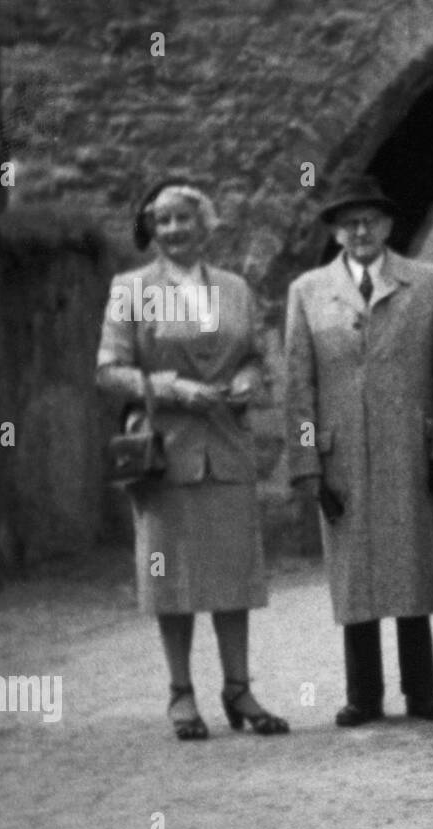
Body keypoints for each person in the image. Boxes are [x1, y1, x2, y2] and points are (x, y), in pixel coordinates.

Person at [96, 179, 288, 740]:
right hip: (165, 453)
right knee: (169, 575)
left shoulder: (234, 289)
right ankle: (181, 693)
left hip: (227, 447)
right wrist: (175, 387)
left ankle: (239, 689)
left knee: (233, 574)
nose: (174, 230)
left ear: (206, 226)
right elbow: (108, 370)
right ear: (152, 230)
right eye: (163, 221)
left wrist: (248, 382)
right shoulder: (131, 288)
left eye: (184, 219)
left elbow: (255, 358)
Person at [285, 175, 433, 726]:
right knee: (355, 572)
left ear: (388, 225)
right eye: (349, 222)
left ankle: (422, 692)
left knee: (411, 565)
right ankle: (363, 695)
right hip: (341, 454)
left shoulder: (428, 283)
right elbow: (298, 386)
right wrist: (308, 464)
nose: (360, 231)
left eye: (371, 220)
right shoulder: (308, 291)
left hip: (409, 445)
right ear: (336, 231)